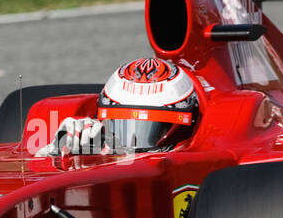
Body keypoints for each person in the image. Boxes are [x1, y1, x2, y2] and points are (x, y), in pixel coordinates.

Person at [35, 57, 199, 156]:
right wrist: (56, 151)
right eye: (120, 126)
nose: (128, 150)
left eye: (148, 130)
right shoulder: (97, 145)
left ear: (179, 130)